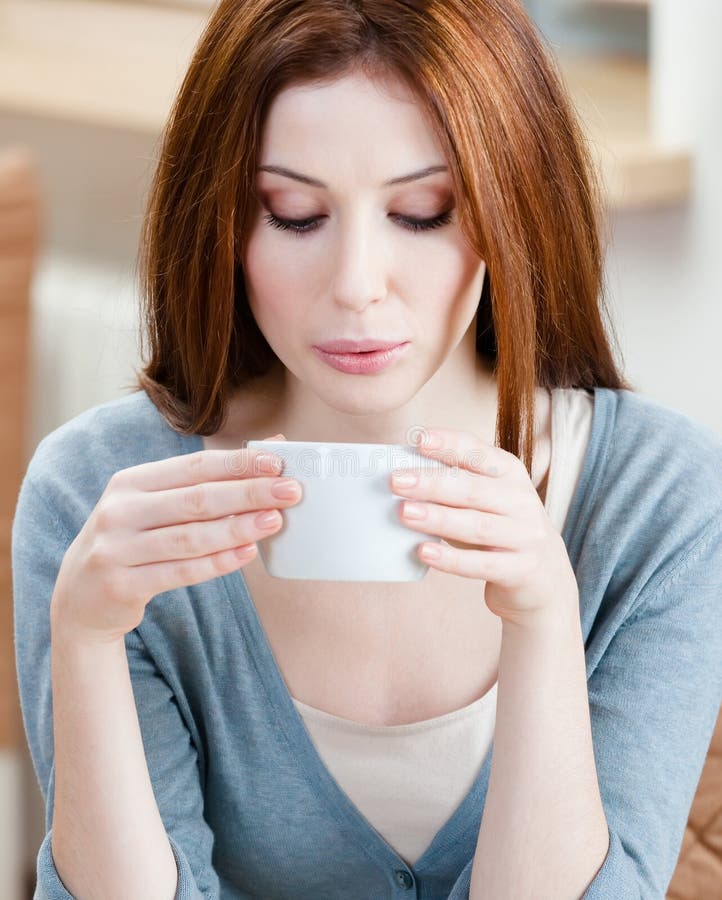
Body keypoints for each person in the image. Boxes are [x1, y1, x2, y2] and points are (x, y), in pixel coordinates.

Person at [11, 1, 722, 898]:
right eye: (294, 213)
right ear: (226, 224)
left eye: (423, 213)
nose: (355, 286)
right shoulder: (97, 499)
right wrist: (84, 638)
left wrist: (544, 621)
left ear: (513, 208)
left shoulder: (660, 500)